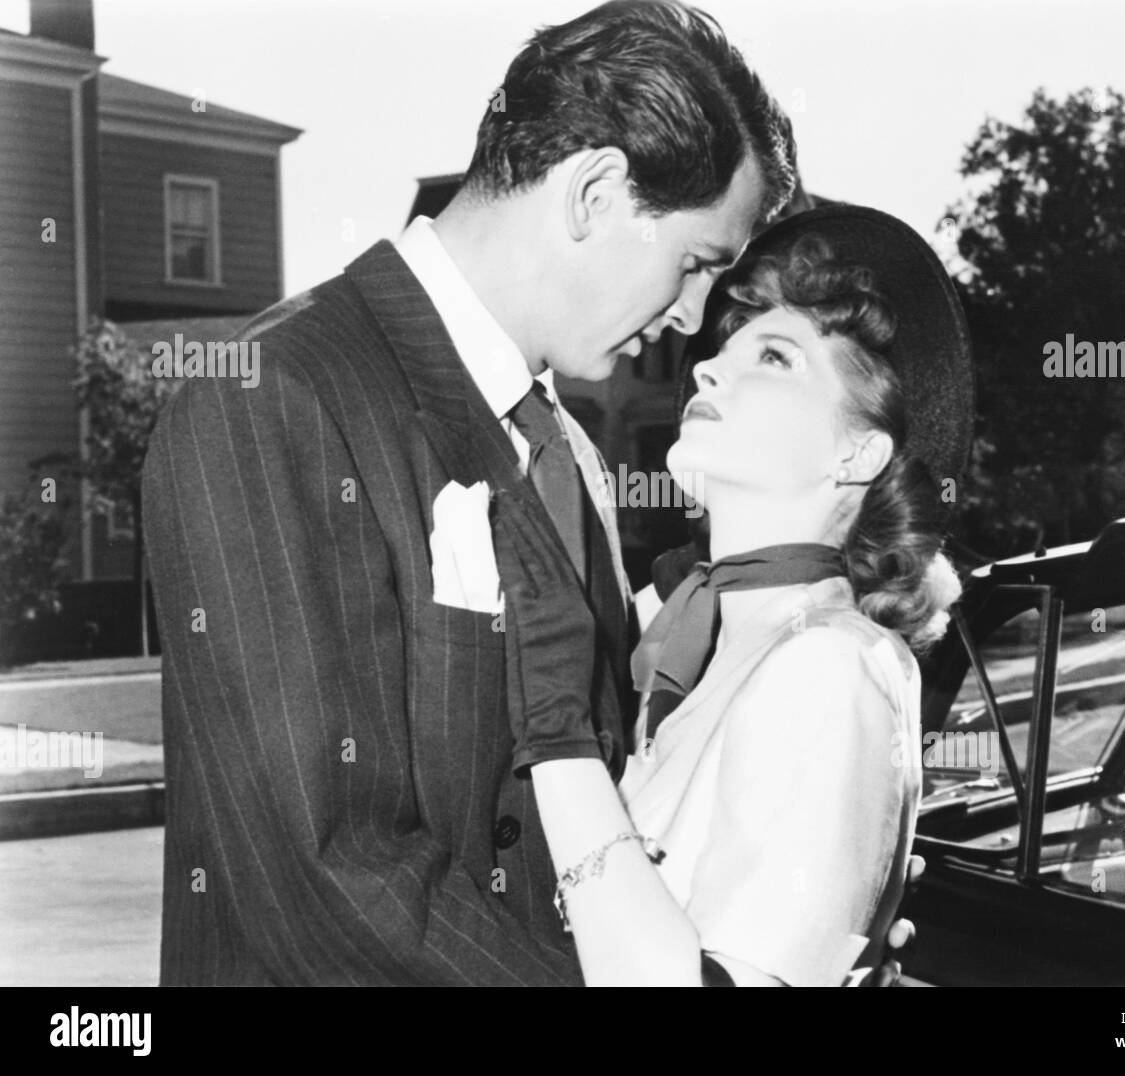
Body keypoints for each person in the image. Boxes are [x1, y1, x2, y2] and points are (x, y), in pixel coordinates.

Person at [141, 0, 918, 986]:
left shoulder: (571, 452)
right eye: (693, 264)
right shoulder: (271, 397)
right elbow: (328, 875)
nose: (690, 318)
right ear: (594, 191)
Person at [515, 204, 973, 986]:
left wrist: (556, 735)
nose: (709, 367)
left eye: (775, 356)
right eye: (727, 346)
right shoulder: (693, 638)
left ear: (858, 452)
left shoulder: (830, 664)